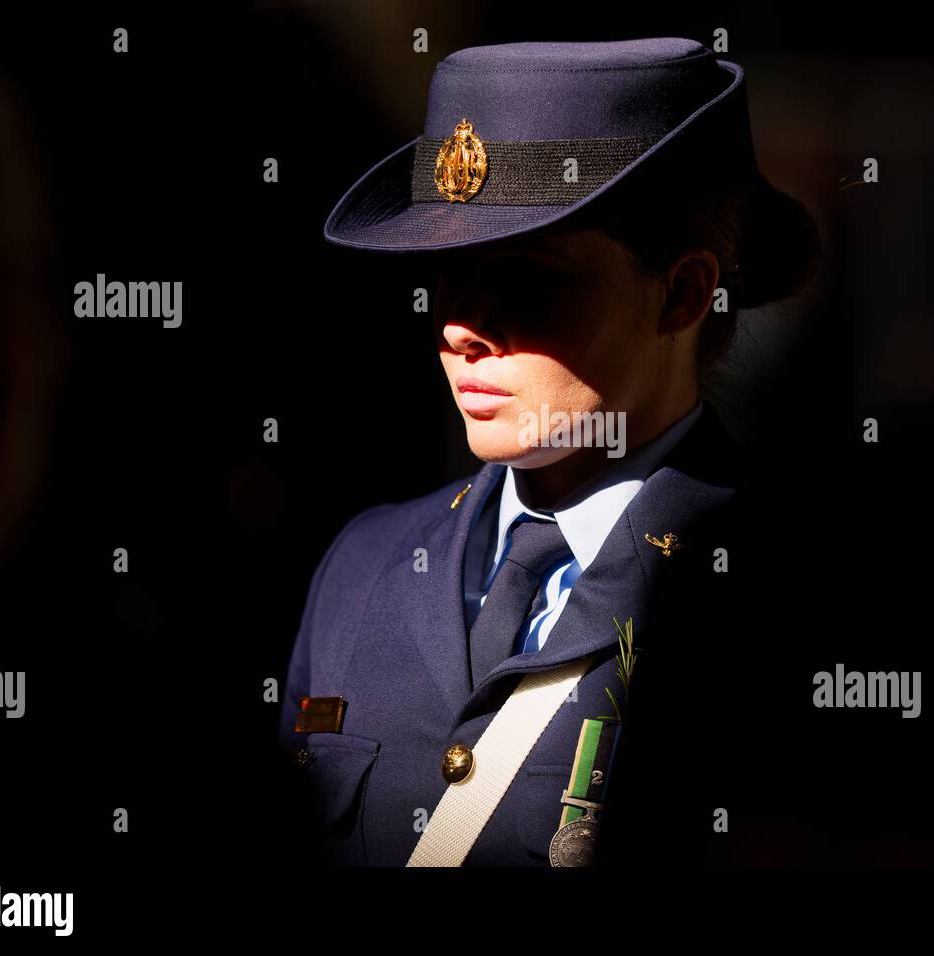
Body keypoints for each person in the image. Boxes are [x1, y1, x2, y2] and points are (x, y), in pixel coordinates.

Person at [279, 36, 818, 866]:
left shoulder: (794, 599)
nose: (461, 326)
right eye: (448, 273)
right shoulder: (363, 565)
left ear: (680, 294)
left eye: (529, 279)